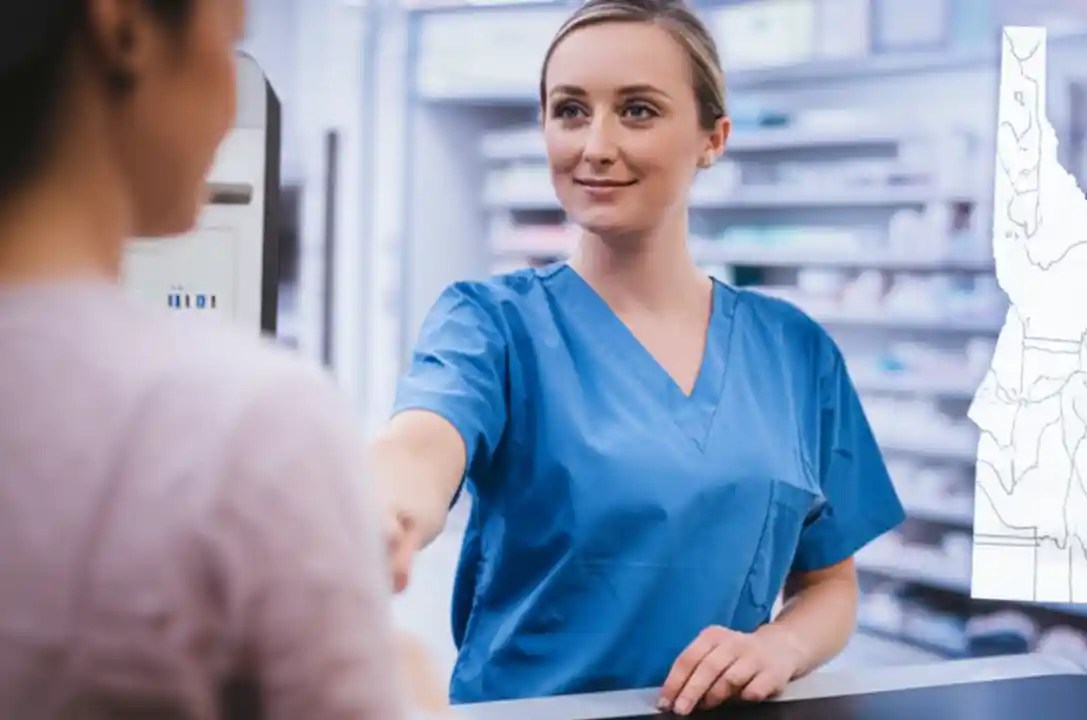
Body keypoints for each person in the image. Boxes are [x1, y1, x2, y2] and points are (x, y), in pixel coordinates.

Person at [375, 0, 906, 713]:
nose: (594, 144)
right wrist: (381, 507)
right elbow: (419, 443)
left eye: (637, 111)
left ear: (713, 138)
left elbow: (828, 584)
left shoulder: (796, 351)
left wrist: (779, 647)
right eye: (569, 110)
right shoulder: (492, 324)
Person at [0, 1, 446, 717]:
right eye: (232, 39)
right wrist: (403, 672)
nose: (236, 95)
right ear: (125, 32)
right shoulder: (246, 418)